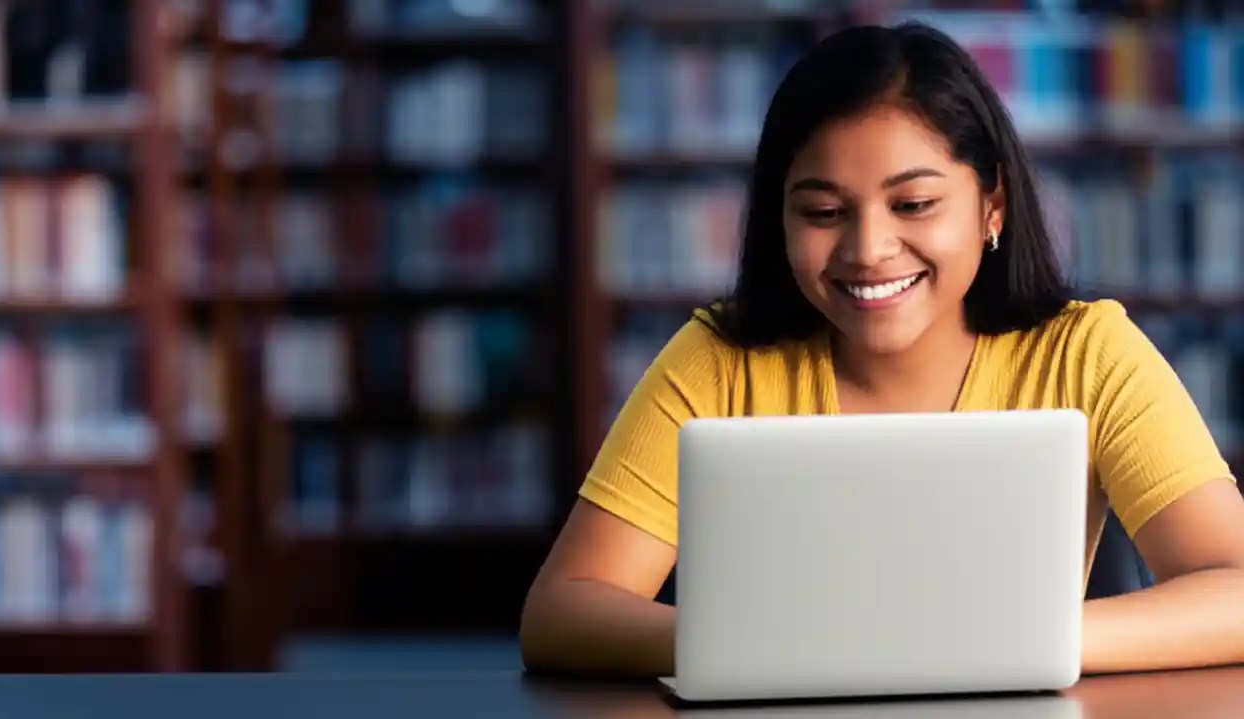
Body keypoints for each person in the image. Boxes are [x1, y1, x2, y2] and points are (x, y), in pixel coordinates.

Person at [519, 22, 1244, 679]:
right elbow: (565, 608)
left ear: (991, 205)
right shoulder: (718, 359)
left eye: (914, 205)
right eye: (823, 212)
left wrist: (1021, 643)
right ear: (778, 219)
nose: (868, 249)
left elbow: (1234, 588)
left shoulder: (1087, 353)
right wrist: (761, 650)